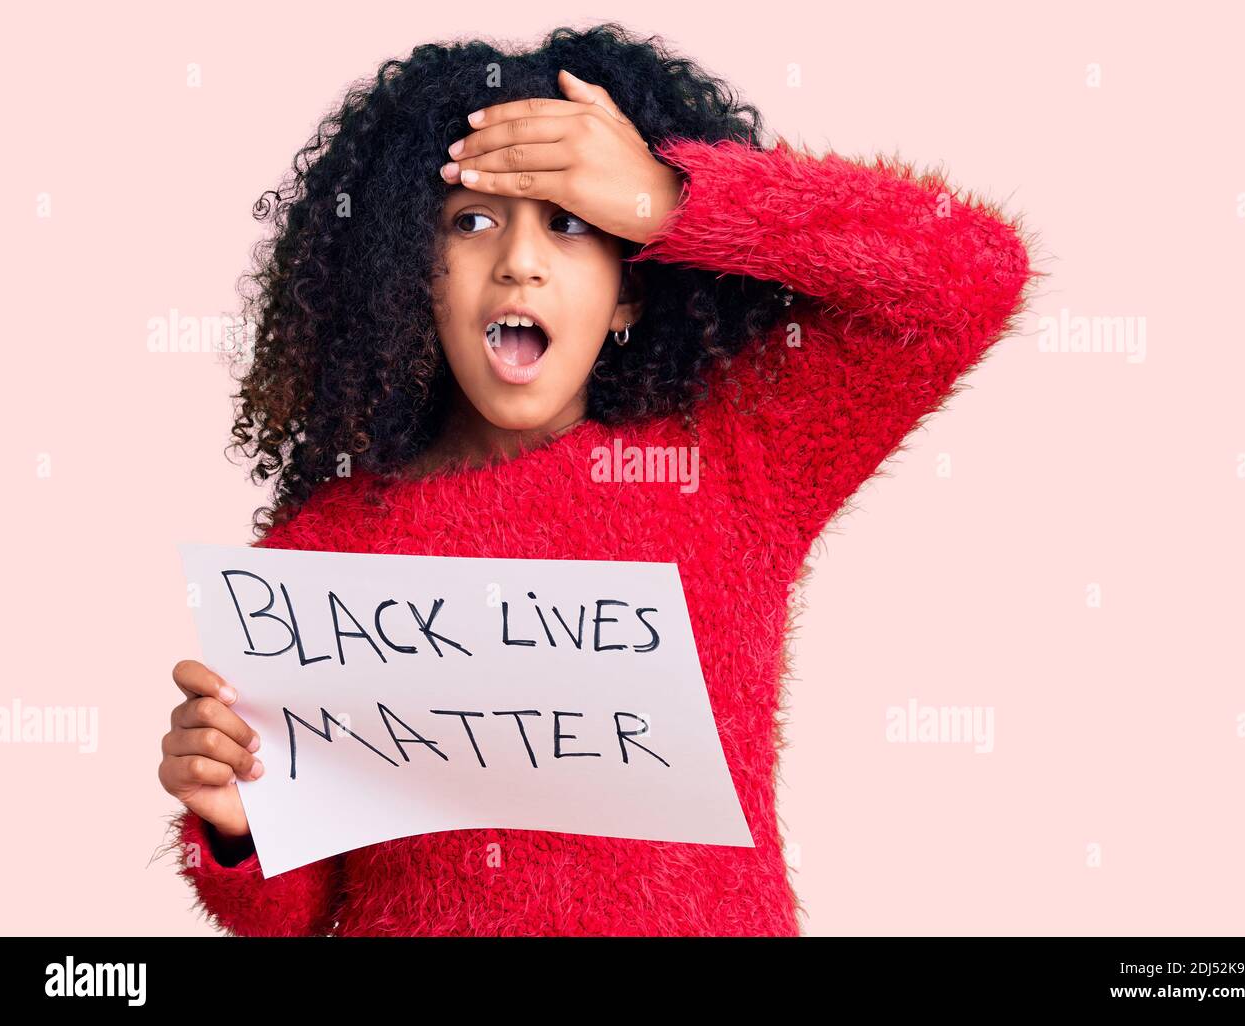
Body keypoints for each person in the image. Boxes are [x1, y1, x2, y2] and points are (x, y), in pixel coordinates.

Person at [158, 22, 1042, 936]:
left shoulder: (733, 462)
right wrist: (232, 821)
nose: (521, 260)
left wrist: (672, 200)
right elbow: (290, 916)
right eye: (472, 220)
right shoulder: (327, 548)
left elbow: (964, 279)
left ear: (629, 289)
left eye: (573, 225)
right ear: (412, 274)